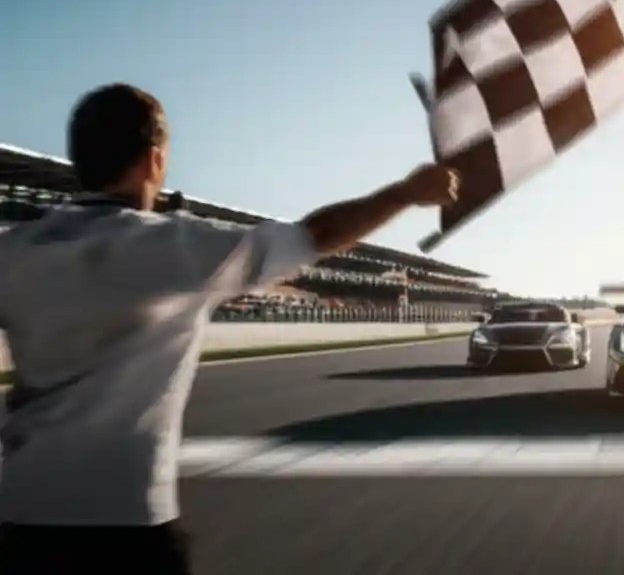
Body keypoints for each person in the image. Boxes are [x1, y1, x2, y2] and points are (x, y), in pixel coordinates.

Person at [0, 83, 460, 573]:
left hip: (21, 516)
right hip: (125, 519)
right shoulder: (177, 246)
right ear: (155, 161)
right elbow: (315, 237)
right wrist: (406, 193)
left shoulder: (14, 249)